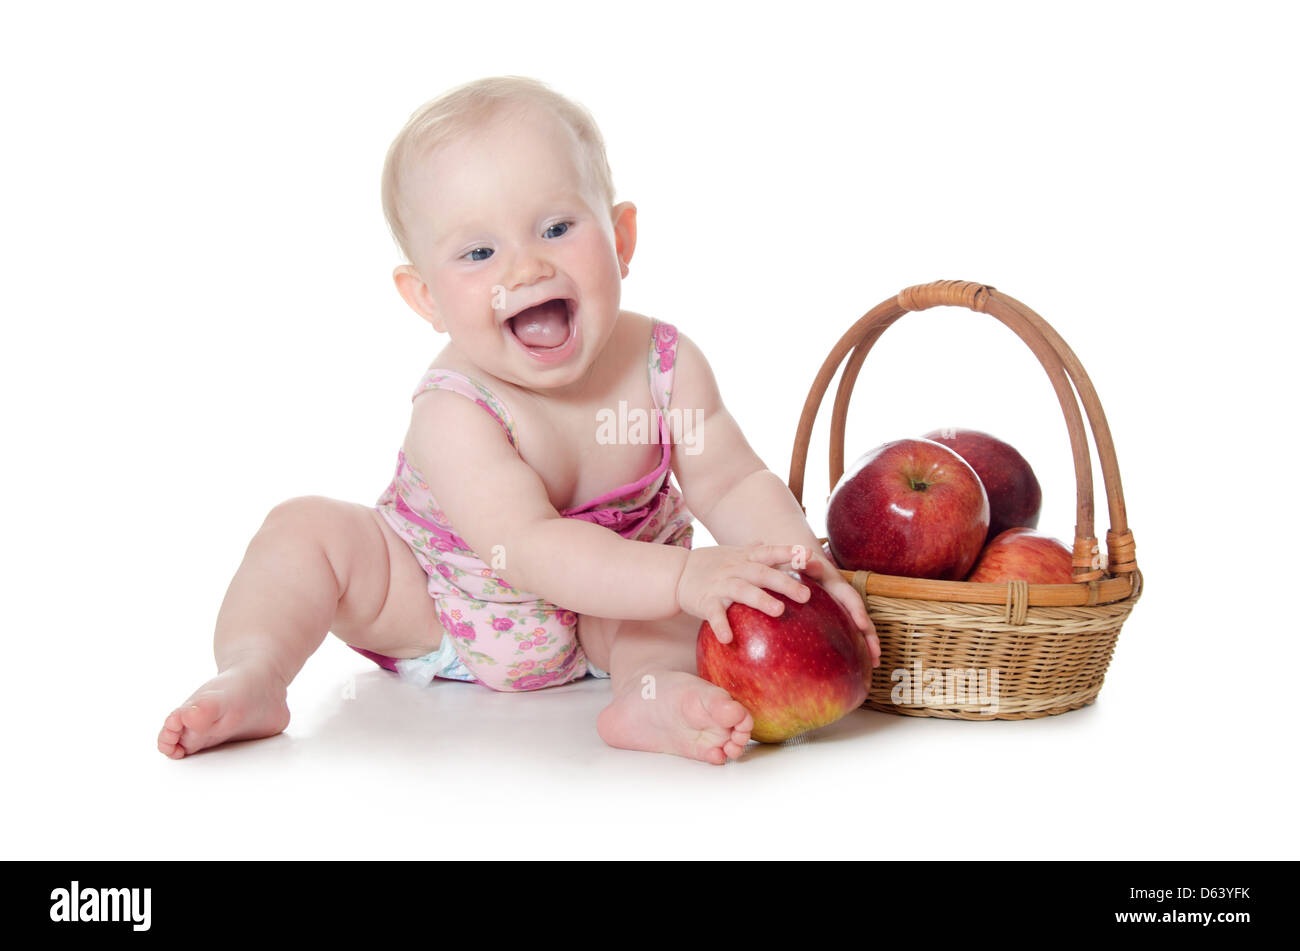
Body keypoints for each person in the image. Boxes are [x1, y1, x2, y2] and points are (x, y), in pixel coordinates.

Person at [157, 75, 879, 766]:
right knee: (304, 530)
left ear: (621, 237)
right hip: (436, 602)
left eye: (558, 227)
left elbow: (733, 480)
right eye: (478, 252)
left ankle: (649, 696)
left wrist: (801, 567)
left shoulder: (664, 364)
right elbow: (528, 546)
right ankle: (254, 672)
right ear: (426, 298)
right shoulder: (453, 409)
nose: (526, 268)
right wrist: (687, 572)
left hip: (620, 606)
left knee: (684, 618)